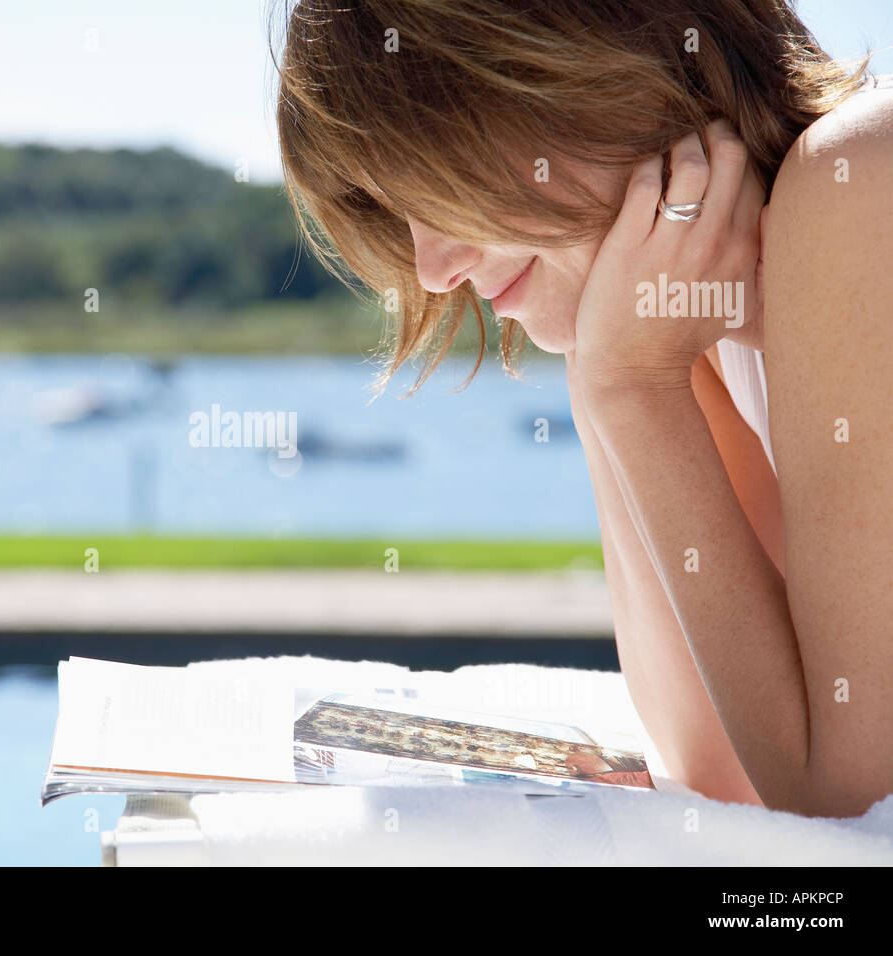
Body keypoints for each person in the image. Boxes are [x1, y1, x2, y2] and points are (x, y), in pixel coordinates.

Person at [273, 0, 893, 817]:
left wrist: (631, 385)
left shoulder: (853, 182)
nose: (431, 268)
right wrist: (612, 356)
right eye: (400, 207)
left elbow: (841, 791)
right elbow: (716, 760)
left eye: (439, 178)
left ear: (582, 68)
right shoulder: (708, 332)